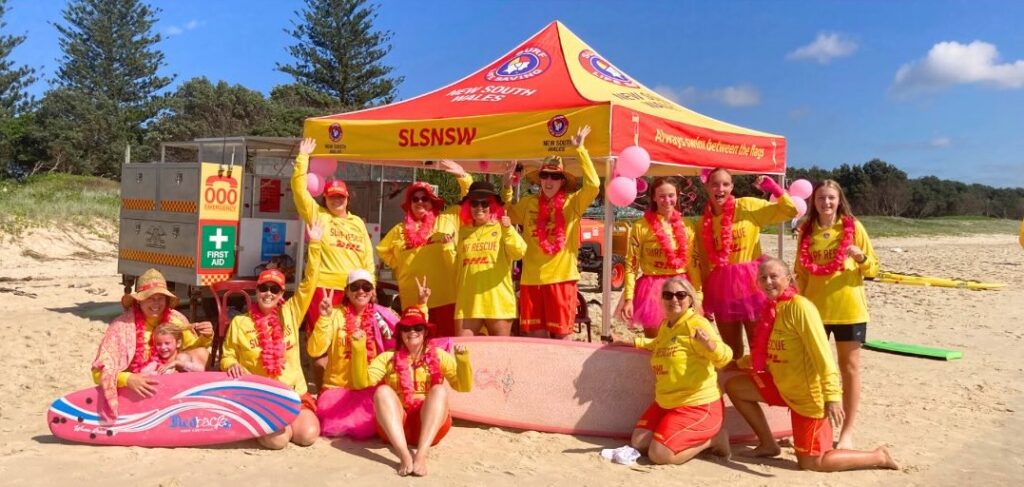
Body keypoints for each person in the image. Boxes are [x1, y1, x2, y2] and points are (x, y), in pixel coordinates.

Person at [724, 257, 898, 472]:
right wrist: (733, 363)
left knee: (812, 463)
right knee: (735, 386)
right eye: (763, 278)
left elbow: (823, 355)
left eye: (774, 277)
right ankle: (768, 444)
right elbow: (766, 351)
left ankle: (877, 456)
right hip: (782, 385)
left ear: (788, 279)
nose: (768, 282)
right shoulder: (772, 308)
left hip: (808, 398)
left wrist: (833, 397)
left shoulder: (801, 308)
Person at [220, 222, 324, 450]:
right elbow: (226, 357)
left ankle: (285, 422)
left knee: (307, 436)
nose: (268, 293)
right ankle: (262, 424)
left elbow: (309, 284)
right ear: (256, 292)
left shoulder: (291, 313)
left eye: (274, 289)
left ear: (281, 294)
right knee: (278, 441)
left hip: (293, 393)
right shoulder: (240, 322)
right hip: (261, 396)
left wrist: (314, 244)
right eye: (263, 288)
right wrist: (233, 364)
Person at [610, 278, 731, 465]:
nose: (674, 299)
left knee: (659, 455)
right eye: (668, 295)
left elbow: (725, 357)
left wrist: (709, 344)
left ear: (690, 299)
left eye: (680, 295)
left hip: (697, 404)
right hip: (667, 402)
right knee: (639, 443)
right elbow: (658, 343)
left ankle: (714, 440)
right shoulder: (667, 324)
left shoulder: (696, 324)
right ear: (662, 300)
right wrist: (630, 342)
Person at [794, 180, 878, 449]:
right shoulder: (806, 232)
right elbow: (801, 274)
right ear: (813, 201)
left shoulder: (854, 228)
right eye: (820, 198)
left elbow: (874, 270)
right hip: (815, 310)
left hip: (849, 310)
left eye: (831, 198)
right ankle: (821, 425)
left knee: (849, 369)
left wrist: (862, 258)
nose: (826, 203)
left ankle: (848, 432)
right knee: (817, 370)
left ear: (839, 200)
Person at [350, 307, 473, 477]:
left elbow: (463, 387)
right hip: (395, 427)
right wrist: (358, 348)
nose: (412, 332)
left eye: (417, 328)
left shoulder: (439, 356)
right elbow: (360, 383)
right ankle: (405, 455)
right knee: (383, 391)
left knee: (438, 390)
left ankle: (421, 456)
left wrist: (463, 361)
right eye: (406, 328)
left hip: (431, 427)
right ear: (400, 333)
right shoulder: (388, 358)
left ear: (426, 332)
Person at [291, 137, 375, 385]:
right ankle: (323, 388)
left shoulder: (358, 222)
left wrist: (372, 287)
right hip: (323, 288)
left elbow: (367, 257)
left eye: (340, 196)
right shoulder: (318, 215)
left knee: (350, 339)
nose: (336, 200)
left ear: (348, 198)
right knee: (321, 343)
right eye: (331, 196)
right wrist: (303, 158)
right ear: (324, 198)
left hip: (355, 290)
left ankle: (346, 386)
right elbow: (298, 189)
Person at [502, 125, 599, 339]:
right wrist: (507, 187)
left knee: (562, 339)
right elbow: (506, 213)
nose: (548, 181)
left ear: (562, 180)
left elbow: (593, 186)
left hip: (562, 280)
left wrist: (580, 150)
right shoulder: (528, 203)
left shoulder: (572, 204)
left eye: (554, 177)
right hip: (532, 281)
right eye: (545, 175)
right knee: (535, 340)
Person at [91, 268, 214, 422]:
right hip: (136, 395)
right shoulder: (121, 327)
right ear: (139, 300)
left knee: (204, 353)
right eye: (150, 298)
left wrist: (206, 337)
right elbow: (98, 372)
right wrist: (128, 379)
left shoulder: (176, 320)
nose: (156, 304)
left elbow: (192, 353)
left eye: (160, 298)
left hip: (174, 392)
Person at [698, 169, 797, 359]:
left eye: (726, 184)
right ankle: (737, 386)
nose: (720, 189)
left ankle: (761, 386)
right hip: (722, 288)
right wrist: (703, 298)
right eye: (715, 184)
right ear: (707, 187)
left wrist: (776, 190)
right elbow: (704, 263)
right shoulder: (704, 222)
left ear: (732, 187)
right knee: (731, 349)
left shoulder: (747, 206)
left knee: (758, 343)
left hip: (753, 285)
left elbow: (790, 211)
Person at [308, 269, 414, 439]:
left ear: (372, 292)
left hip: (369, 387)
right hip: (338, 389)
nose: (361, 291)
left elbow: (410, 336)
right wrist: (324, 319)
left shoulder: (383, 316)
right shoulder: (334, 314)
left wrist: (422, 304)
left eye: (366, 287)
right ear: (347, 292)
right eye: (355, 287)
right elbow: (314, 349)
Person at [378, 162, 473, 337]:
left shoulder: (449, 219)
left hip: (447, 297)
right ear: (409, 203)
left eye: (425, 198)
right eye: (415, 199)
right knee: (417, 348)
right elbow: (382, 250)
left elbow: (470, 202)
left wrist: (463, 177)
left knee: (447, 345)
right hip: (413, 301)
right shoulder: (399, 229)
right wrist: (401, 265)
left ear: (432, 202)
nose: (420, 202)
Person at [616, 177, 703, 338]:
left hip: (682, 287)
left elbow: (693, 263)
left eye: (671, 195)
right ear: (654, 198)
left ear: (677, 196)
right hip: (651, 291)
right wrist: (628, 299)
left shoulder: (687, 226)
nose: (667, 200)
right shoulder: (640, 226)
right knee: (654, 343)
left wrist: (698, 294)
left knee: (681, 341)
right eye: (662, 196)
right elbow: (631, 266)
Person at [454, 181, 527, 336]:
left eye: (484, 203)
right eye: (474, 203)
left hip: (498, 302)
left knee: (499, 355)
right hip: (468, 302)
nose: (479, 207)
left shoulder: (502, 227)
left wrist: (508, 229)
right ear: (468, 206)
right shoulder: (462, 232)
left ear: (492, 206)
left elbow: (519, 252)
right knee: (462, 353)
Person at [139, 324, 206, 375]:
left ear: (178, 343)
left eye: (167, 343)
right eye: (159, 344)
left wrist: (177, 363)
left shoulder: (182, 357)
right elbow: (142, 374)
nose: (163, 347)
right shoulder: (156, 362)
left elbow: (201, 370)